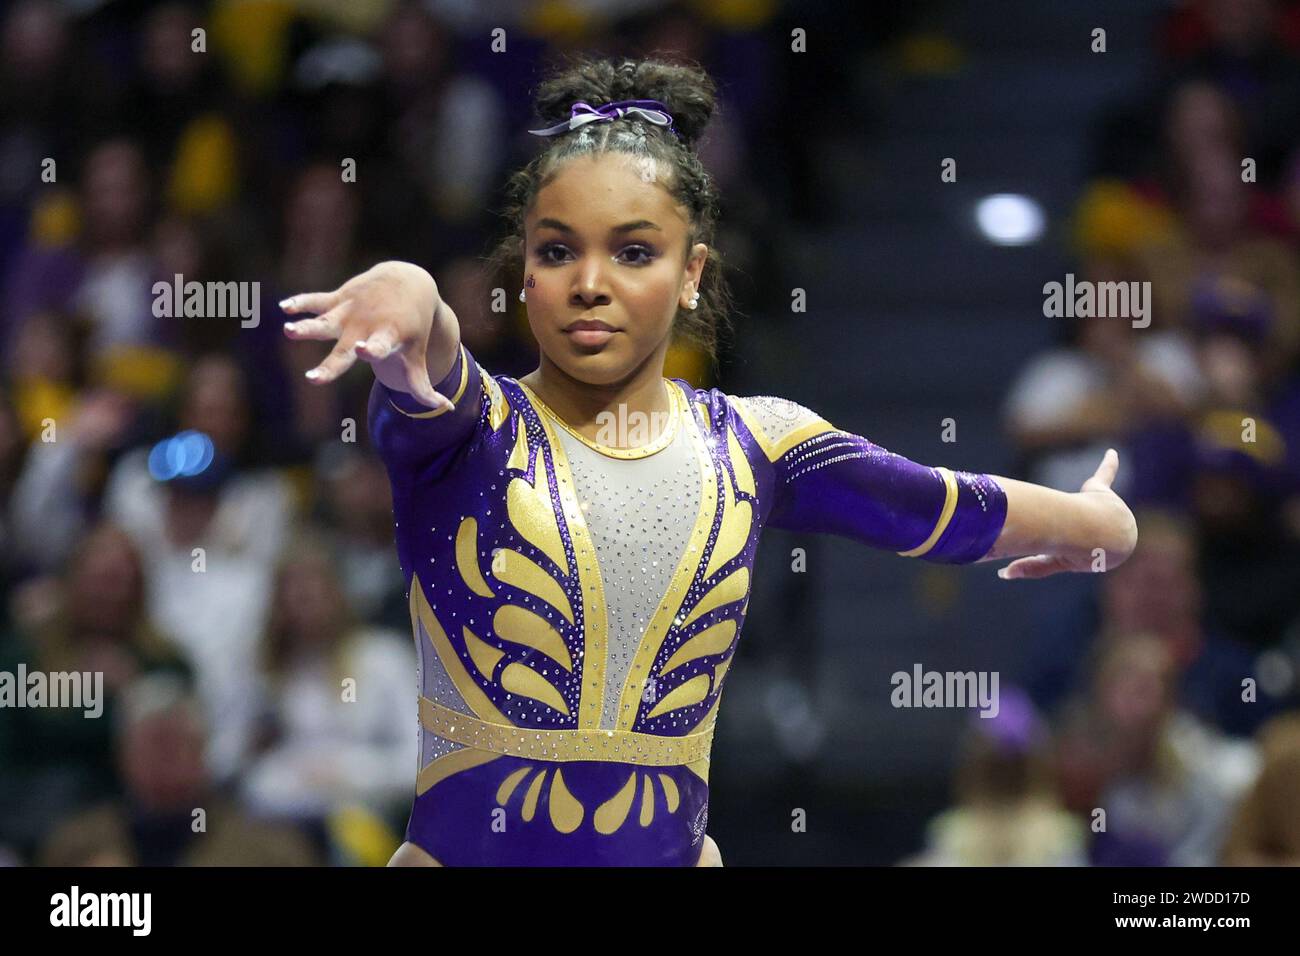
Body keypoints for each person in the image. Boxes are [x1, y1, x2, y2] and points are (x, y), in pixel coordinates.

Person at [281, 57, 1138, 866]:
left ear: (691, 273)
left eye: (632, 251)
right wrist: (408, 290)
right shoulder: (474, 430)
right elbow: (429, 347)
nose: (589, 281)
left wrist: (1096, 523)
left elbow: (935, 506)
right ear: (525, 272)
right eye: (556, 250)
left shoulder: (755, 445)